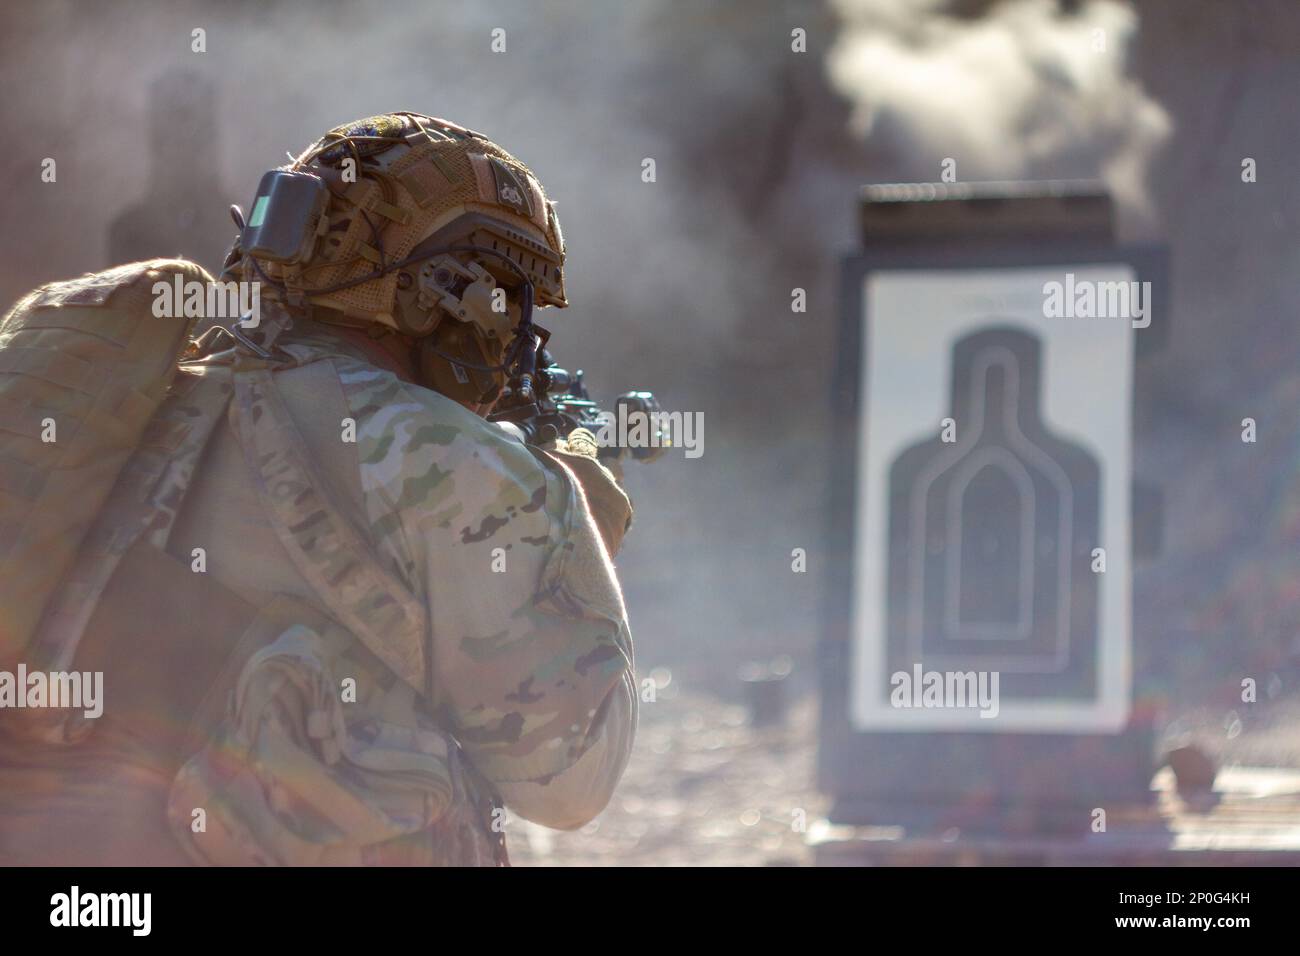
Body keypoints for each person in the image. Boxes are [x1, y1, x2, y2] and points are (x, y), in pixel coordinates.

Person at [0, 112, 637, 866]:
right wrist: (571, 507)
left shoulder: (149, 391)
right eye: (507, 299)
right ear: (445, 294)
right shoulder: (454, 460)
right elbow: (569, 781)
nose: (513, 339)